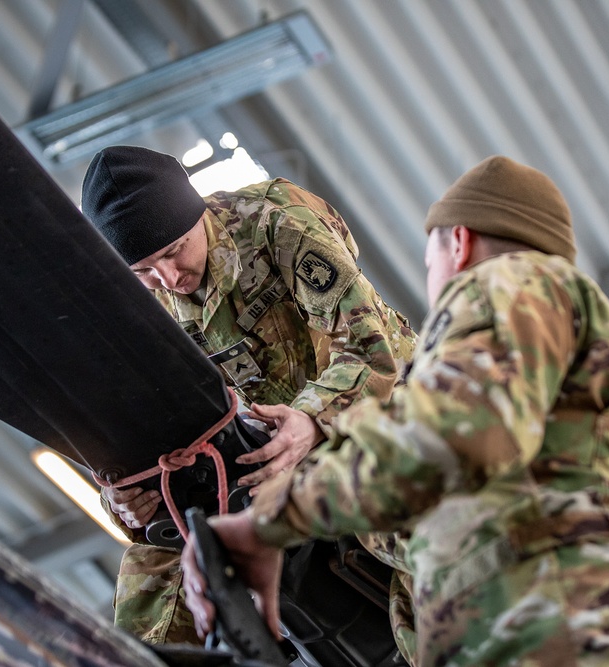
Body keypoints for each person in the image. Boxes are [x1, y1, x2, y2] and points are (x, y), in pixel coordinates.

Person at [181, 156, 609, 666]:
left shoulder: (510, 283)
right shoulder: (555, 366)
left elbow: (451, 435)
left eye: (429, 262)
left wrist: (269, 521)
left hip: (571, 632)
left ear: (459, 244)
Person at [79, 145, 416, 646]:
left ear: (197, 214)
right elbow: (140, 431)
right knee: (155, 579)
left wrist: (312, 420)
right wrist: (123, 500)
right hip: (265, 458)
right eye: (143, 270)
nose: (168, 278)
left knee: (418, 553)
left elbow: (373, 353)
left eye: (175, 250)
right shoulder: (136, 309)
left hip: (380, 417)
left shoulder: (277, 222)